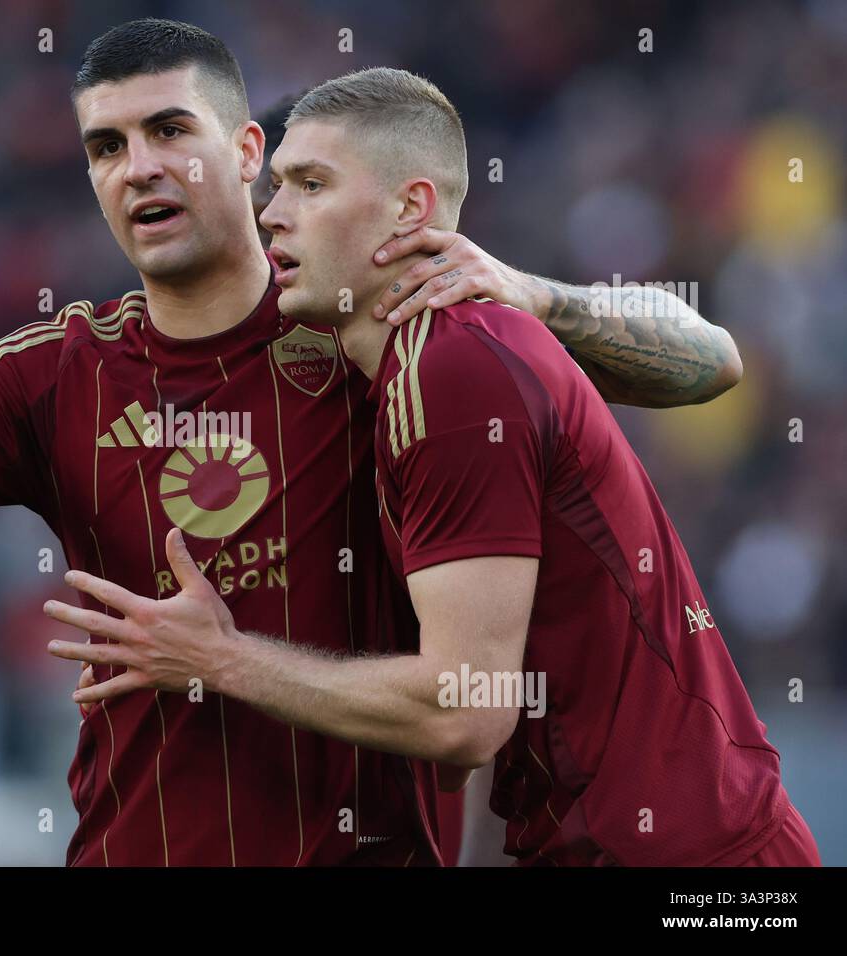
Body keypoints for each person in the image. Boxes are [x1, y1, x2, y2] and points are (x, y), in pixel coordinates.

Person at [0, 20, 741, 866]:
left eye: (169, 131)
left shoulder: (383, 325)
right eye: (105, 146)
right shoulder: (47, 372)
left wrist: (530, 292)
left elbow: (708, 360)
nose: (138, 168)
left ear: (246, 149)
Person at [46, 66, 816, 866]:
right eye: (276, 186)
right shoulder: (413, 368)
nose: (271, 216)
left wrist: (221, 658)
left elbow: (465, 716)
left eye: (309, 185)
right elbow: (463, 750)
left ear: (411, 211)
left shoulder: (452, 367)